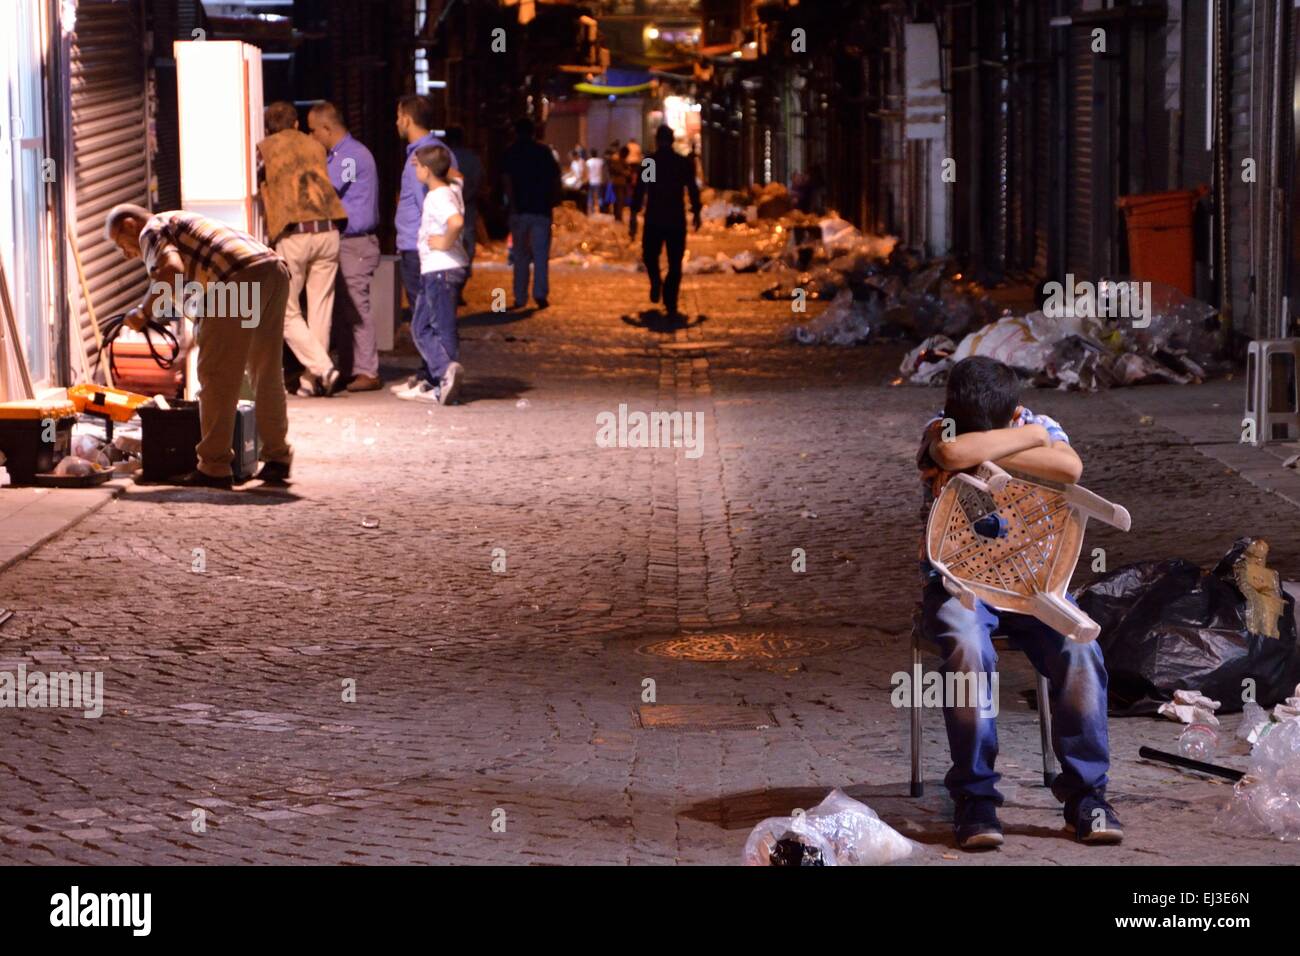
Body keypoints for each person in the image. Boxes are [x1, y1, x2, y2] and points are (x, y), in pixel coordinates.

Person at [916, 356, 1120, 850]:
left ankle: (1086, 797)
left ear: (1015, 412)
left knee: (1080, 648)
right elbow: (949, 452)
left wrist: (985, 451)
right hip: (958, 581)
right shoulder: (944, 429)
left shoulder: (1037, 423)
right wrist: (1029, 441)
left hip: (1035, 581)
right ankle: (975, 797)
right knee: (967, 650)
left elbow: (1069, 466)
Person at [104, 203, 293, 489]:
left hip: (236, 280)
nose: (126, 253)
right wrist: (194, 342)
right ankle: (278, 458)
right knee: (266, 372)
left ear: (130, 224)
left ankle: (214, 466)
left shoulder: (152, 229)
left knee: (217, 379)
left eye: (121, 243)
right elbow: (202, 304)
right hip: (272, 270)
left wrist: (143, 312)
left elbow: (170, 270)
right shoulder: (181, 222)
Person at [258, 101, 347, 397]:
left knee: (284, 311)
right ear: (296, 125)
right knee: (321, 308)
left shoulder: (265, 148)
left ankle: (323, 369)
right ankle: (311, 382)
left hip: (295, 234)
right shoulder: (316, 147)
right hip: (328, 230)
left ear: (268, 128)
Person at [307, 101, 382, 392]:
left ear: (327, 128)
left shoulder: (350, 158)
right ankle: (353, 368)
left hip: (355, 242)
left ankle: (367, 371)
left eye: (314, 131)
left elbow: (330, 187)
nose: (313, 138)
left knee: (355, 307)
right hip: (348, 242)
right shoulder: (343, 155)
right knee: (344, 308)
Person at [393, 145, 465, 405]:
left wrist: (445, 242)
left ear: (427, 170)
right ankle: (440, 376)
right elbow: (458, 176)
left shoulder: (438, 196)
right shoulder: (453, 187)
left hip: (441, 269)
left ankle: (445, 376)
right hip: (435, 270)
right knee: (420, 326)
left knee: (440, 328)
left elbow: (456, 222)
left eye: (419, 165)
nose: (416, 169)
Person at [628, 124, 701, 317]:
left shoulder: (651, 162)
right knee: (675, 263)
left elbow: (641, 189)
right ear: (672, 140)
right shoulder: (681, 162)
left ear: (657, 140)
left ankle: (656, 282)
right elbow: (692, 188)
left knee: (650, 256)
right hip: (675, 219)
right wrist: (697, 212)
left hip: (655, 218)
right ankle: (670, 300)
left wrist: (634, 215)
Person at [501, 117, 560, 310]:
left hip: (520, 210)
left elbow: (507, 182)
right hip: (541, 210)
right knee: (541, 254)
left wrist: (512, 206)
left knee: (520, 256)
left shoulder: (511, 152)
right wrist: (552, 202)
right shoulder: (544, 153)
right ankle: (540, 294)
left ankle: (520, 297)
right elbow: (555, 180)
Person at [442, 126, 482, 303]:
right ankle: (457, 288)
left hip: (445, 213)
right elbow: (478, 183)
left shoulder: (441, 158)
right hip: (467, 211)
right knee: (466, 250)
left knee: (447, 249)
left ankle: (448, 289)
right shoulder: (472, 159)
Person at [584, 147, 605, 215]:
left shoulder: (588, 162)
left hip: (591, 181)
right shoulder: (600, 161)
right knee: (600, 196)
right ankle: (601, 210)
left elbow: (586, 172)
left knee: (590, 196)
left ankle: (592, 210)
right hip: (599, 180)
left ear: (590, 154)